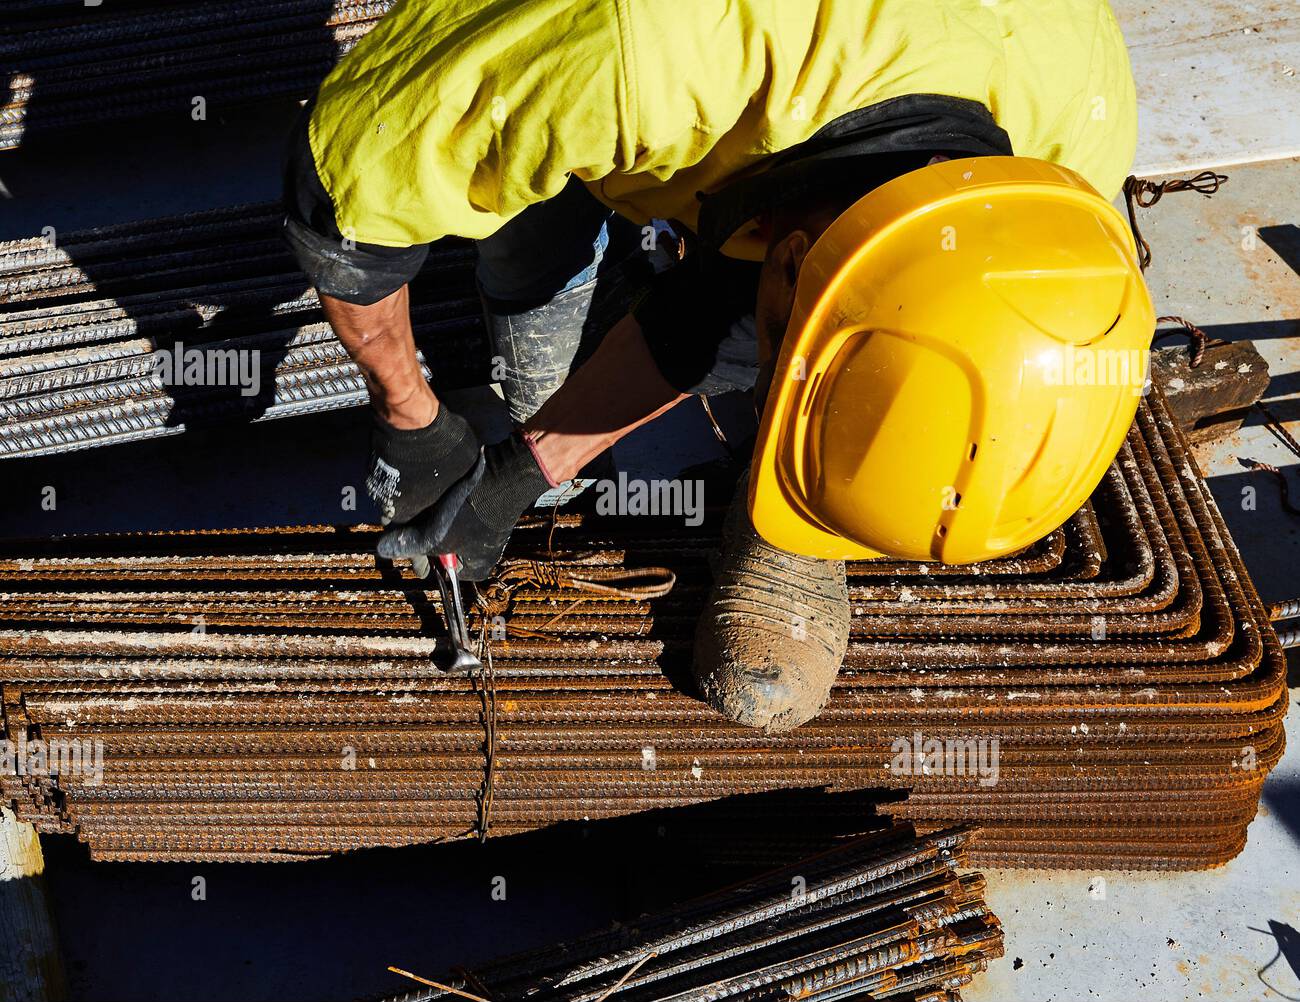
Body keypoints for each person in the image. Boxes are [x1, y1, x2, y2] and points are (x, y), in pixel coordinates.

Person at [283, 0, 1153, 730]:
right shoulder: (622, 54)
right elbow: (348, 196)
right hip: (608, 63)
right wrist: (410, 416)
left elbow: (735, 310)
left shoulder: (1075, 140)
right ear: (784, 255)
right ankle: (537, 245)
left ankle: (798, 498)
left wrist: (523, 470)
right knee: (519, 211)